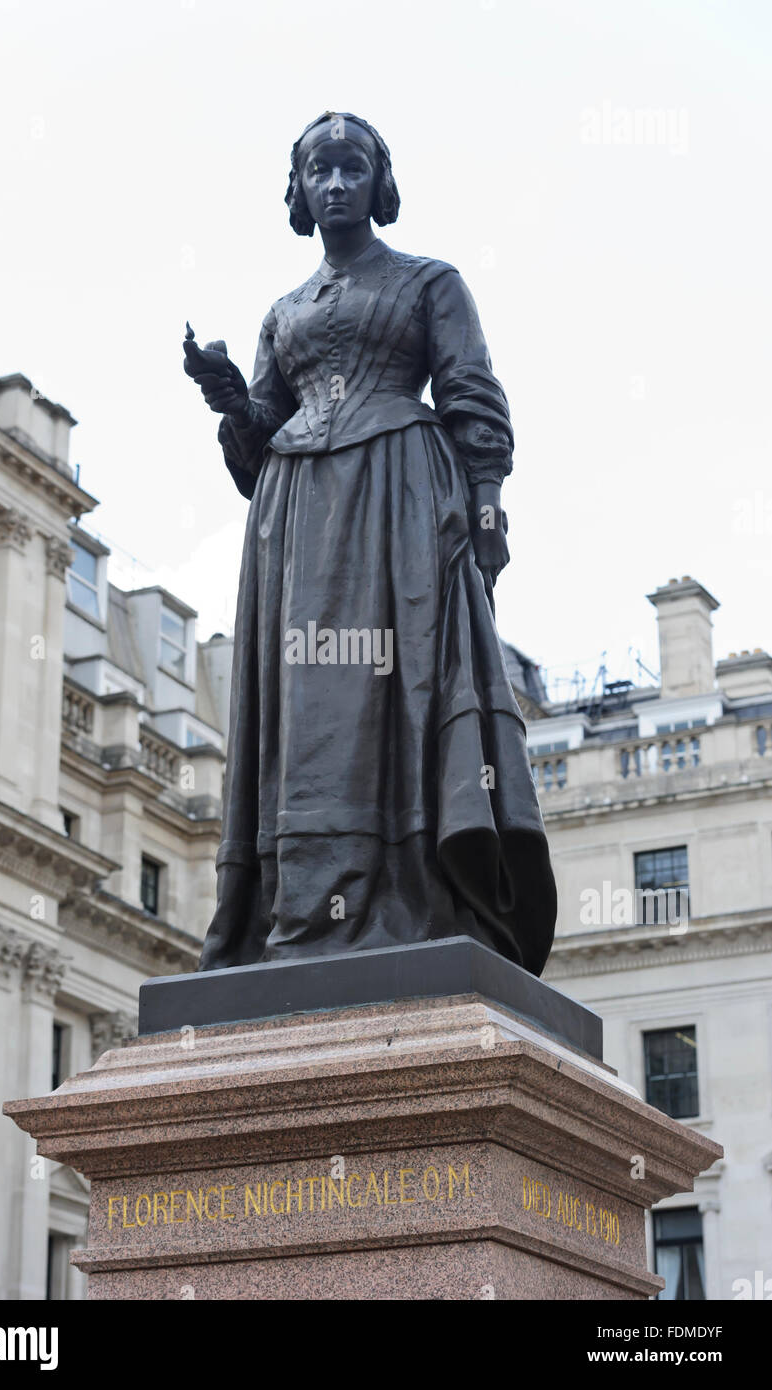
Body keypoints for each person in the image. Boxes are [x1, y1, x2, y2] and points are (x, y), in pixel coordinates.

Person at [183, 111, 556, 976]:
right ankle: (298, 905)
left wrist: (489, 495)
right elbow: (259, 446)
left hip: (399, 494)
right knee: (306, 706)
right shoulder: (283, 312)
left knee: (400, 688)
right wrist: (231, 399)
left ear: (378, 183)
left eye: (352, 168)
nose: (336, 183)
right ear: (300, 193)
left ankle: (415, 890)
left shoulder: (431, 282)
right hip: (296, 513)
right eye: (320, 171)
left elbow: (469, 388)